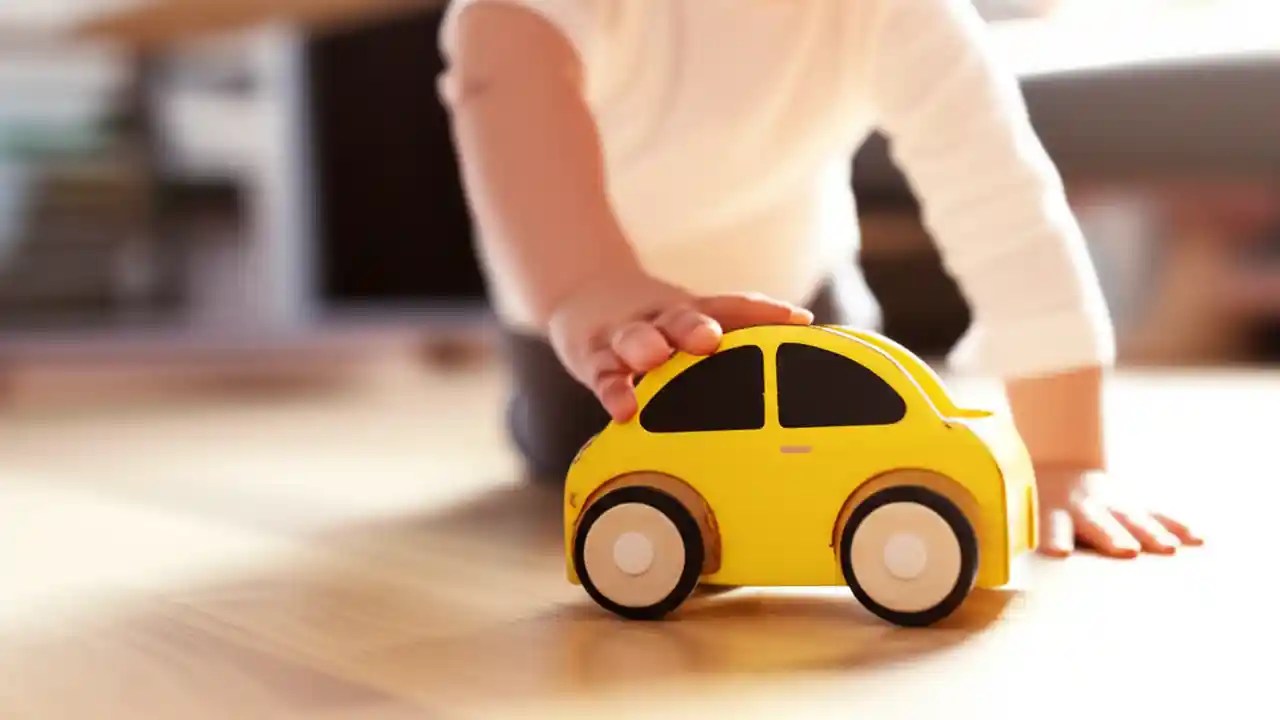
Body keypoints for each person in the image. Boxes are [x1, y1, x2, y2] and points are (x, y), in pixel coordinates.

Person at [436, 0, 1201, 557]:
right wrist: (590, 286)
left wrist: (1065, 455)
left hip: (797, 293)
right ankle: (535, 414)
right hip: (601, 325)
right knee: (576, 461)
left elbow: (1001, 197)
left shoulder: (902, 15)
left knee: (857, 442)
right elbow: (502, 71)